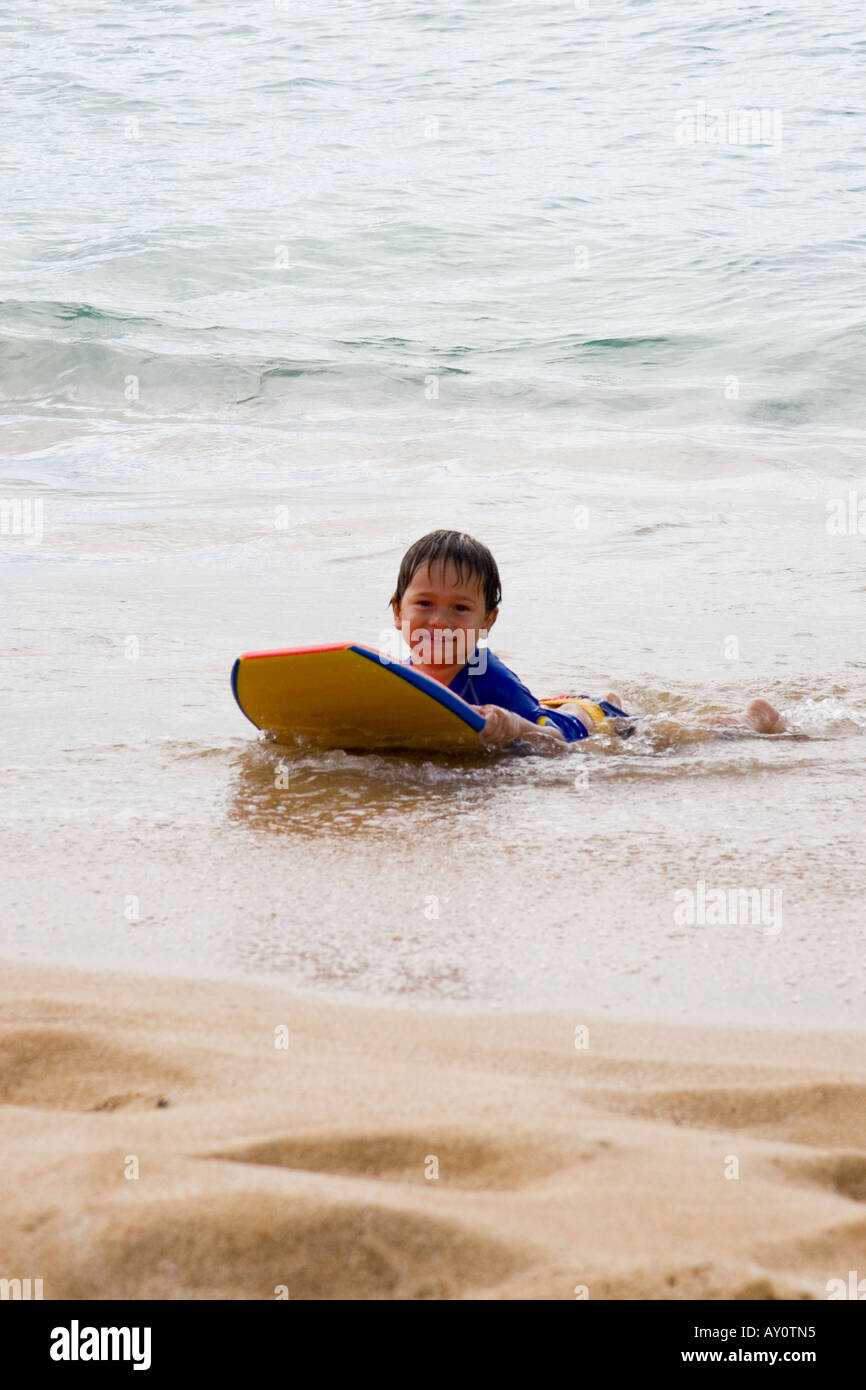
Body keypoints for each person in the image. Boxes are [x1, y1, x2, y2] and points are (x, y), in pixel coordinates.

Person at [389, 529, 787, 751]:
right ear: (397, 612)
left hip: (585, 724)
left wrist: (513, 726)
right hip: (555, 704)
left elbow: (555, 739)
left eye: (460, 609)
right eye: (424, 603)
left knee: (669, 735)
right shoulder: (400, 678)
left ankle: (752, 720)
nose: (439, 621)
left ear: (486, 622)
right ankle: (605, 700)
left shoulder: (489, 678)